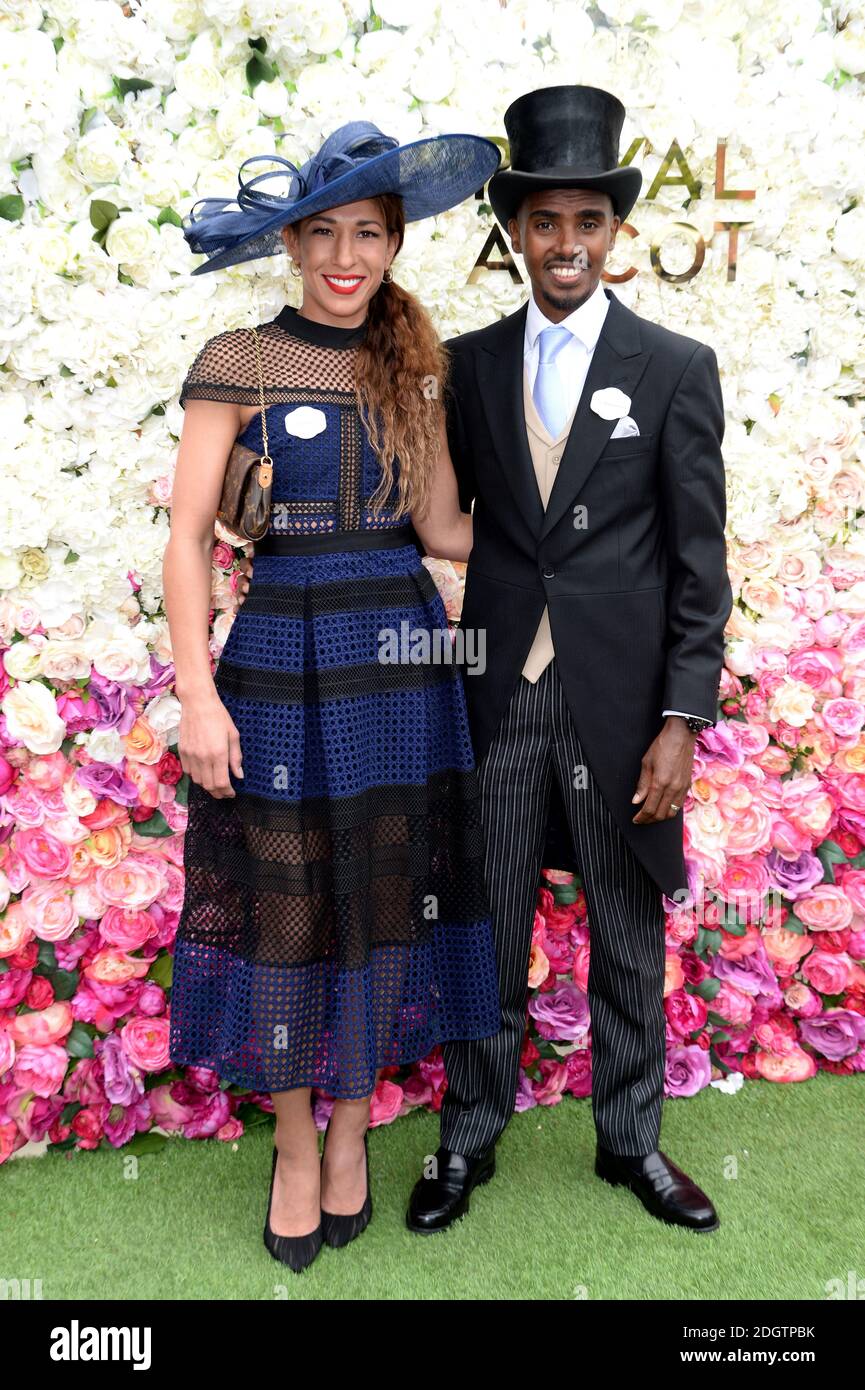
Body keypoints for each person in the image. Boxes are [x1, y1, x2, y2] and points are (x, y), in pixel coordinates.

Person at [163, 122, 504, 1273]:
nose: (346, 255)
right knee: (291, 906)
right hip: (281, 655)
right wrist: (197, 695)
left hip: (402, 655)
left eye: (368, 233)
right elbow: (186, 538)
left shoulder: (416, 366)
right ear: (293, 243)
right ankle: (298, 1143)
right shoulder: (239, 357)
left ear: (394, 243)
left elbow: (446, 530)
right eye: (325, 233)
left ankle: (357, 1126)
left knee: (390, 889)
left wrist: (577, 533)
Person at [401, 84, 733, 1236]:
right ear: (516, 232)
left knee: (625, 936)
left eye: (586, 221)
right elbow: (452, 518)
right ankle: (468, 1136)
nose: (565, 244)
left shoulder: (674, 367)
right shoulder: (473, 364)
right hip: (496, 693)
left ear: (612, 232)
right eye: (544, 222)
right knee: (483, 923)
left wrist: (682, 720)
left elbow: (701, 562)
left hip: (621, 708)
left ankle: (630, 1144)